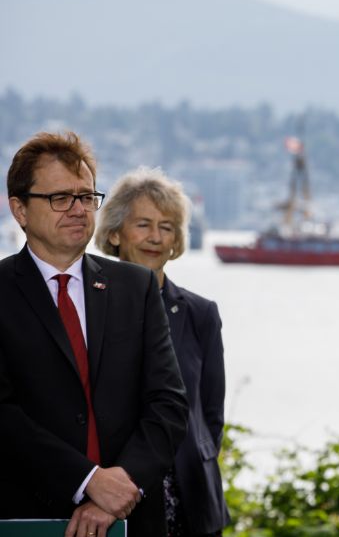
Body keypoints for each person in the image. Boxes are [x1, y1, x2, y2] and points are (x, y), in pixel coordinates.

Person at [0, 131, 188, 536]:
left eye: (86, 197)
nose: (77, 209)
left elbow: (168, 404)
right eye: (60, 198)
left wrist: (121, 486)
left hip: (131, 519)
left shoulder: (135, 288)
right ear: (19, 209)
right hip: (24, 515)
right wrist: (88, 481)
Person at [95, 168, 230, 537]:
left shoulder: (202, 314)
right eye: (143, 224)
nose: (156, 237)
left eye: (167, 227)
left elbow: (211, 414)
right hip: (114, 500)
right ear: (114, 233)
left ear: (176, 241)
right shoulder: (88, 309)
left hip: (192, 498)